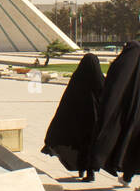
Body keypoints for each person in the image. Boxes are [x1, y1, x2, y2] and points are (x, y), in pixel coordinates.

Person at [94, 41, 140, 191]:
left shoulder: (120, 66)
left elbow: (112, 91)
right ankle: (128, 178)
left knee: (126, 143)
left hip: (125, 115)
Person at [41, 52, 106, 182]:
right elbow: (105, 96)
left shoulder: (77, 79)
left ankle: (81, 169)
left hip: (78, 121)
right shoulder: (99, 80)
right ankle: (90, 172)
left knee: (80, 145)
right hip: (93, 121)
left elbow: (66, 101)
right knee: (90, 145)